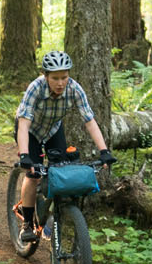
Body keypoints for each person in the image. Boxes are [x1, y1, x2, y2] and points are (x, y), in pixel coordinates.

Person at [14, 50, 114, 231]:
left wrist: (104, 151)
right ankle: (27, 223)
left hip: (53, 129)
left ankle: (53, 213)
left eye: (64, 77)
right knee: (34, 173)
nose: (60, 83)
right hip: (31, 131)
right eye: (55, 78)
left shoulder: (74, 89)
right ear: (46, 76)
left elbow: (90, 121)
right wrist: (25, 155)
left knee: (62, 170)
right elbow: (23, 126)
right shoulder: (35, 88)